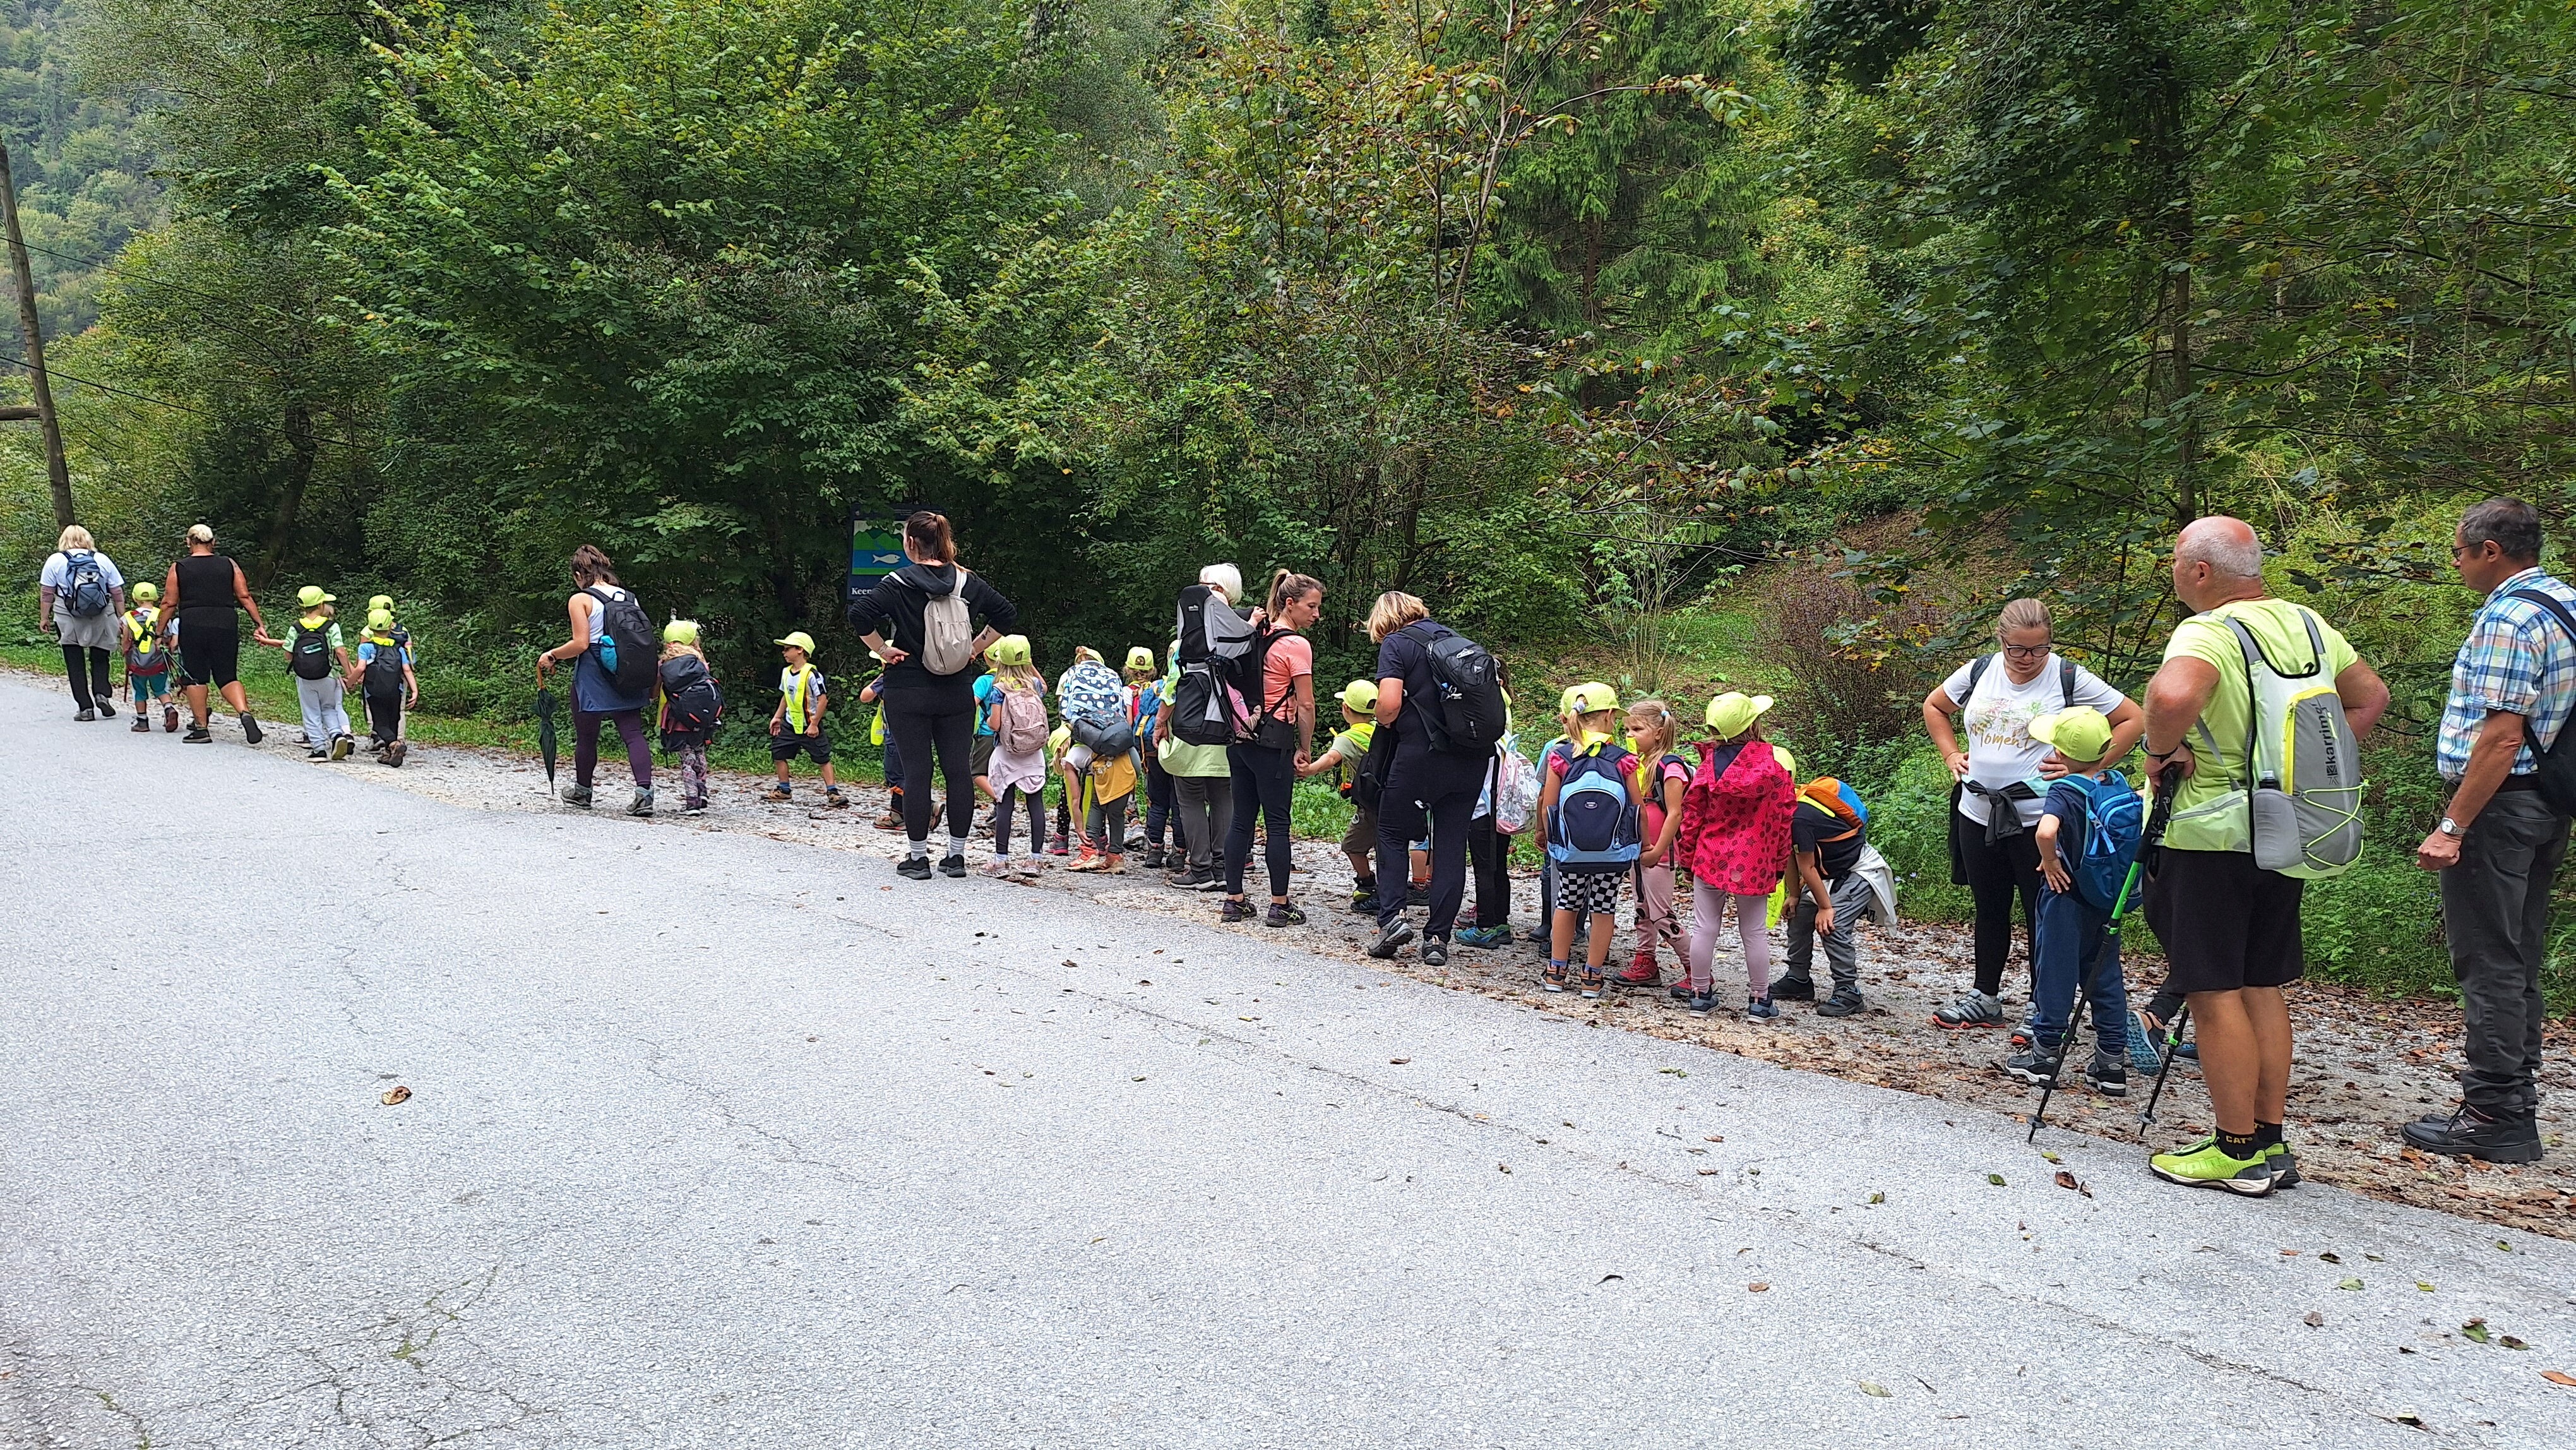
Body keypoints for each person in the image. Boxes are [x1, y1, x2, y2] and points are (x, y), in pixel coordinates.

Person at [2140, 517, 2387, 1194]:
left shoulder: (2208, 631)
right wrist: (2308, 770)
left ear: (2199, 571)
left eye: (2175, 560)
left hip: (2210, 836)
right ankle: (2269, 1143)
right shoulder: (2307, 624)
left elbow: (2171, 695)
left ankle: (2236, 1150)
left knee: (2212, 989)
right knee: (2260, 984)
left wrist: (2160, 753)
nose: (2173, 571)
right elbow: (2369, 698)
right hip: (2287, 830)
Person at [2407, 498, 2573, 1163]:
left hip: (2500, 806)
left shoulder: (2510, 616)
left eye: (2459, 550)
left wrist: (2453, 824)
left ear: (2491, 551)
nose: (2455, 562)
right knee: (2519, 952)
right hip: (2546, 804)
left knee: (2488, 959)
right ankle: (2515, 1102)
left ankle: (2494, 1111)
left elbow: (2501, 738)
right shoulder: (2565, 601)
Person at [1921, 599, 2142, 1033]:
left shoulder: (2066, 676)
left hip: (2041, 817)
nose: (2028, 660)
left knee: (2042, 914)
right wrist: (1950, 754)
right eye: (2018, 650)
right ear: (2001, 641)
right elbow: (1935, 706)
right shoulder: (1980, 671)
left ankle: (2043, 1010)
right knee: (1989, 907)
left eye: (2039, 649)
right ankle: (1985, 997)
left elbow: (2133, 718)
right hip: (1977, 810)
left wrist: (2092, 765)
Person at [849, 509, 1018, 878]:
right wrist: (975, 648)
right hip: (957, 689)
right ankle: (956, 858)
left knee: (917, 773)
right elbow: (1005, 613)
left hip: (908, 688)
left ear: (911, 543)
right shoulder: (967, 581)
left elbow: (861, 614)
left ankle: (918, 858)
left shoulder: (898, 581)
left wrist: (883, 649)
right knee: (958, 772)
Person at [1998, 707, 2136, 1094]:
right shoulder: (2116, 781)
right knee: (2104, 976)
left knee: (2055, 973)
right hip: (2107, 896)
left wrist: (2049, 861)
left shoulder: (2065, 789)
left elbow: (2046, 832)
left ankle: (2043, 1056)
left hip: (2066, 896)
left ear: (2061, 752)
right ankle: (2110, 1063)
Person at [1364, 591, 1488, 966]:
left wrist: (1384, 722)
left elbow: (1389, 704)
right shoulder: (1459, 643)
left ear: (1385, 620)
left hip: (1419, 756)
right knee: (1451, 844)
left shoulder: (1397, 645)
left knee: (1391, 832)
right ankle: (1437, 938)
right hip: (1469, 758)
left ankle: (1393, 919)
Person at [1675, 692, 1799, 1019]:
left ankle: (1700, 994)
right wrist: (1778, 865)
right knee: (1754, 931)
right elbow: (1784, 819)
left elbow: (1691, 818)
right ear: (1754, 724)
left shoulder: (1706, 769)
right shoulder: (1775, 767)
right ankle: (1760, 1001)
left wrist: (1687, 859)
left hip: (1710, 854)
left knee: (1705, 927)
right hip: (1755, 859)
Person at [1217, 570, 1321, 928]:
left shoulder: (1252, 632)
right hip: (1274, 739)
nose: (1316, 614)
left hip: (1240, 735)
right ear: (1289, 604)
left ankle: (1235, 901)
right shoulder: (1296, 645)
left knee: (1242, 818)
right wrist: (1304, 747)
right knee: (1278, 822)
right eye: (1312, 606)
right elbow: (1306, 705)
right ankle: (1280, 904)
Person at [536, 544, 656, 816]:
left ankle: (583, 791)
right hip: (627, 669)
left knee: (587, 737)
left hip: (593, 671)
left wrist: (552, 655)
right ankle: (644, 794)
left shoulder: (581, 599)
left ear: (580, 573)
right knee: (633, 733)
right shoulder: (629, 597)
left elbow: (580, 643)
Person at [1538, 682, 1639, 998]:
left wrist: (1547, 835)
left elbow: (1549, 805)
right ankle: (1592, 978)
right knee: (1603, 908)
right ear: (1610, 716)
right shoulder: (1623, 760)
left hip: (1570, 852)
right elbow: (1637, 807)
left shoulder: (1561, 757)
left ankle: (1556, 971)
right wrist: (1643, 844)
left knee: (1566, 903)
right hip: (1612, 853)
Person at [1772, 775, 1875, 1018]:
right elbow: (1790, 855)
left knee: (1832, 925)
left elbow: (1807, 867)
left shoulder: (1798, 818)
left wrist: (1826, 908)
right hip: (1826, 872)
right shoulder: (1783, 815)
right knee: (1799, 916)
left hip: (1857, 870)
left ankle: (1849, 991)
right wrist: (1794, 896)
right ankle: (1798, 980)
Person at [159, 525, 272, 745]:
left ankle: (201, 729)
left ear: (188, 542)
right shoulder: (228, 564)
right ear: (214, 542)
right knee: (227, 675)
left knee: (196, 676)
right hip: (225, 622)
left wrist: (159, 631)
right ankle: (244, 713)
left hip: (193, 624)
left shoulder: (179, 567)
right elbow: (245, 596)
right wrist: (259, 623)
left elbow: (169, 602)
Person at [1155, 625, 1236, 892]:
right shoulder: (1232, 642)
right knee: (1223, 798)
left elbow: (1171, 690)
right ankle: (1224, 869)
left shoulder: (1184, 646)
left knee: (1190, 801)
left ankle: (1201, 870)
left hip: (1190, 739)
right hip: (1223, 735)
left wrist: (1159, 724)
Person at [1618, 698, 1690, 987]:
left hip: (1661, 854)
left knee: (1661, 914)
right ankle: (1645, 961)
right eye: (1627, 730)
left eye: (1637, 729)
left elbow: (1675, 813)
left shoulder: (1670, 767)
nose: (1630, 736)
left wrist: (1658, 849)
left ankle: (1697, 971)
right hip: (1638, 848)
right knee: (1641, 909)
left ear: (1658, 732)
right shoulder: (1637, 765)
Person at [1297, 680, 1383, 911]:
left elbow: (1331, 759)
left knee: (1352, 845)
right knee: (1388, 846)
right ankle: (1392, 890)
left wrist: (1308, 770)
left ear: (1346, 709)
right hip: (1390, 799)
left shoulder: (1348, 738)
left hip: (1369, 803)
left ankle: (1368, 886)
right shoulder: (1382, 730)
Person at [979, 635, 1052, 880]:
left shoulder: (999, 690)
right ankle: (1036, 859)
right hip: (1034, 753)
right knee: (1036, 804)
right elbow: (1045, 687)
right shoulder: (1034, 685)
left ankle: (1001, 860)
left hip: (1007, 753)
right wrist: (1029, 664)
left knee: (1005, 804)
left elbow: (996, 724)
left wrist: (988, 720)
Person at [38, 524, 127, 721]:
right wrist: (122, 617)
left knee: (74, 660)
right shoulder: (101, 559)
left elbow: (47, 593)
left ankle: (85, 708)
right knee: (101, 655)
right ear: (88, 539)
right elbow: (117, 591)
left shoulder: (55, 560)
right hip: (102, 613)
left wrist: (44, 617)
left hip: (67, 614)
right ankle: (102, 692)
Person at [762, 631, 847, 808]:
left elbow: (823, 699)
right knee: (778, 754)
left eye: (787, 649)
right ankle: (784, 790)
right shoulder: (786, 673)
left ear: (800, 650)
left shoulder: (812, 674)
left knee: (822, 758)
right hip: (790, 724)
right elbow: (786, 696)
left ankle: (833, 792)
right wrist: (777, 717)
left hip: (809, 725)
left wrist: (815, 724)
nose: (784, 653)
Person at [271, 585, 356, 760]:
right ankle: (337, 735)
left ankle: (319, 749)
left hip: (305, 678)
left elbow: (288, 655)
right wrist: (350, 674)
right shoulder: (331, 626)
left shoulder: (296, 627)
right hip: (328, 676)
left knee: (311, 711)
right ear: (321, 605)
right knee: (329, 708)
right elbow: (340, 651)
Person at [655, 620, 717, 809]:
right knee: (699, 751)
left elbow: (654, 691)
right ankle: (702, 791)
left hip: (677, 717)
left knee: (686, 758)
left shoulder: (663, 664)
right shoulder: (700, 662)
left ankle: (692, 801)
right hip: (702, 717)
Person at [1127, 647, 1174, 866]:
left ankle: (1154, 850)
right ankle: (1180, 853)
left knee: (1157, 802)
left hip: (1152, 751)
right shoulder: (1187, 685)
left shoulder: (1154, 689)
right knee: (1180, 803)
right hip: (1179, 752)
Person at [355, 607, 417, 766]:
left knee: (379, 723)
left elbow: (361, 668)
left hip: (374, 691)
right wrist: (415, 690)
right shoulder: (399, 648)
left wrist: (349, 681)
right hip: (395, 691)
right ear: (391, 626)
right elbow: (407, 669)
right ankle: (389, 754)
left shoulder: (366, 647)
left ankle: (394, 745)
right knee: (393, 720)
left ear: (370, 628)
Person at [121, 582, 177, 733]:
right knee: (161, 689)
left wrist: (125, 652)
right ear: (156, 598)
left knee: (139, 691)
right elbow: (171, 639)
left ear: (134, 598)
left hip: (137, 662)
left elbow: (126, 641)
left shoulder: (129, 617)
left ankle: (142, 721)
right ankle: (169, 708)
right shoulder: (162, 616)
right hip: (158, 660)